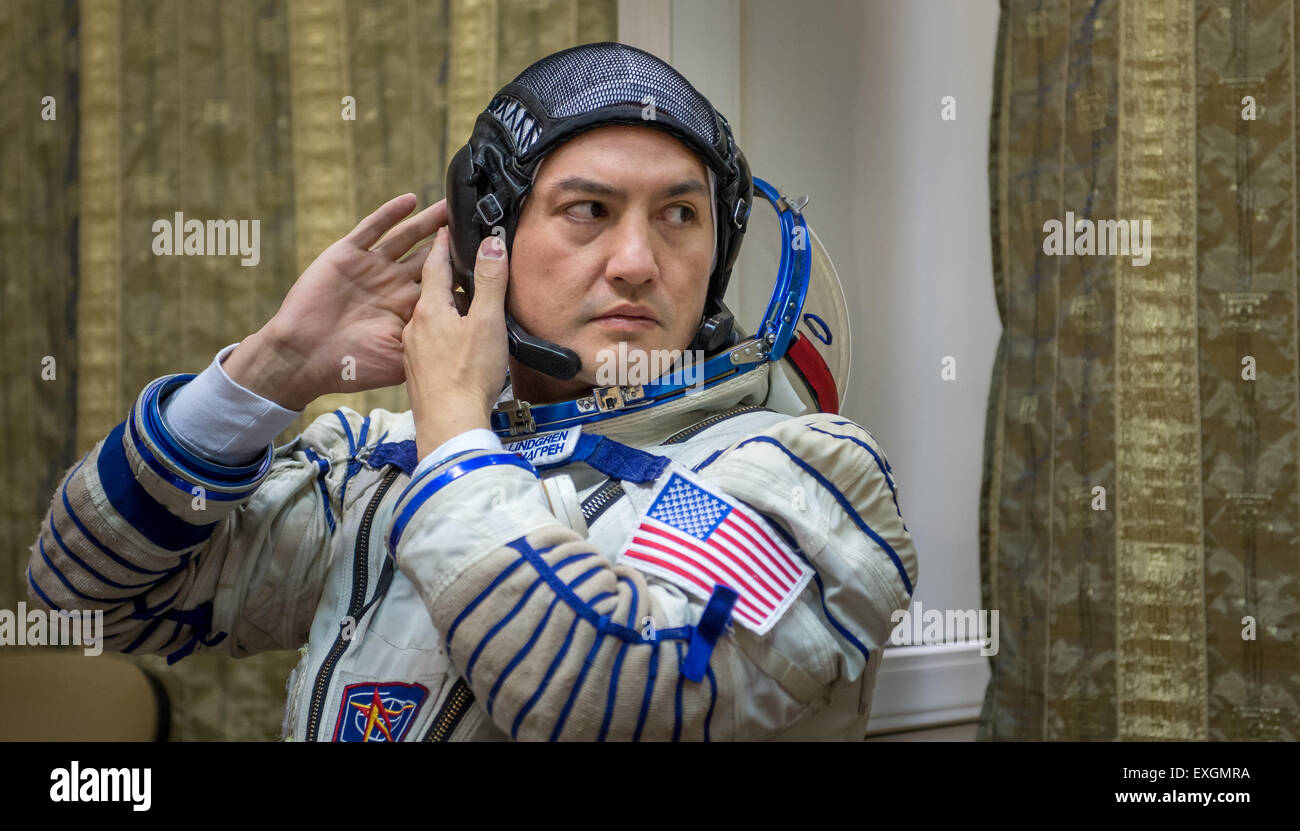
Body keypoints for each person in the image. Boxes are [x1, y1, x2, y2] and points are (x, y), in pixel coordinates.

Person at [27, 42, 918, 741]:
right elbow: (85, 598)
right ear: (487, 240)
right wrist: (270, 372)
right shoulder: (376, 463)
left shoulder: (800, 471)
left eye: (680, 215)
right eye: (588, 211)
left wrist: (454, 429)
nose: (640, 262)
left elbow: (608, 692)